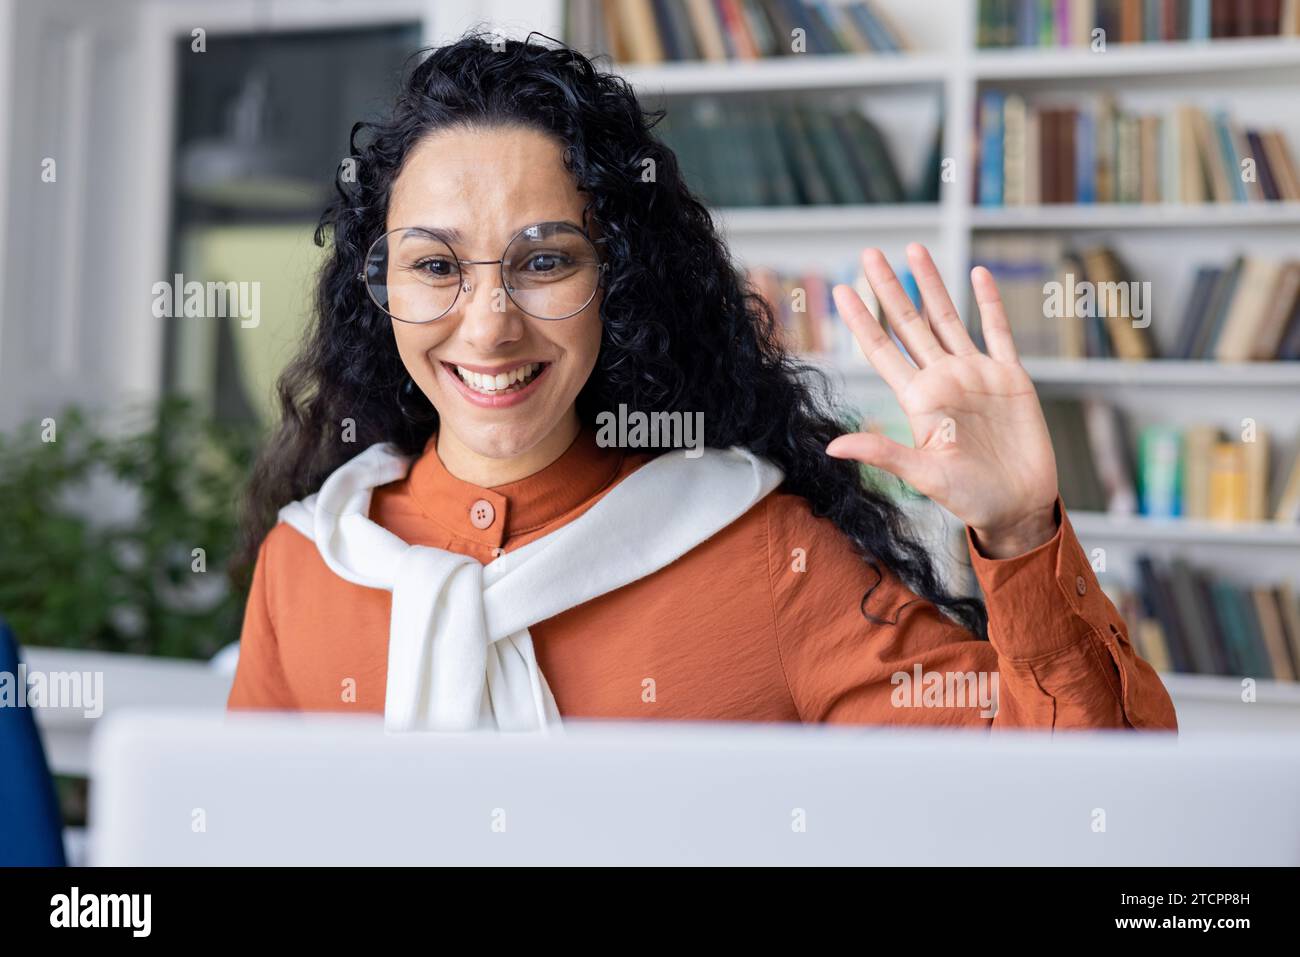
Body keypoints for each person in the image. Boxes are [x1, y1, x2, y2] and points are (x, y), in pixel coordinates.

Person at [228, 33, 1176, 733]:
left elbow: (1077, 806)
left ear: (619, 281)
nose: (489, 325)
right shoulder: (308, 562)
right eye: (435, 266)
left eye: (546, 261)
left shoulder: (765, 554)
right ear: (379, 289)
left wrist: (1021, 534)